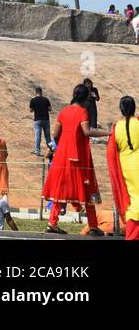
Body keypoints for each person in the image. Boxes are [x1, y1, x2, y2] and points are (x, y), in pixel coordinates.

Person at [42, 83, 108, 235]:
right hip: (78, 157)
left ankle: (52, 223)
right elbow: (87, 131)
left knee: (61, 189)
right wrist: (108, 133)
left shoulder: (64, 111)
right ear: (85, 98)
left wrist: (63, 146)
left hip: (62, 155)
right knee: (85, 187)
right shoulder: (83, 112)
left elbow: (56, 135)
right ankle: (92, 226)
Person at [106, 96, 139, 240]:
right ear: (134, 108)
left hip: (125, 168)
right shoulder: (138, 123)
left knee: (132, 201)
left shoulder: (116, 127)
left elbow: (111, 151)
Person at [29, 86, 52, 156]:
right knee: (47, 136)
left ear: (36, 92)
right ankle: (50, 150)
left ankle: (37, 151)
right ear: (41, 92)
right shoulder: (46, 99)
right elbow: (50, 109)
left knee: (38, 136)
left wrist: (35, 108)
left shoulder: (33, 100)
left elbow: (30, 110)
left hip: (37, 120)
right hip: (46, 120)